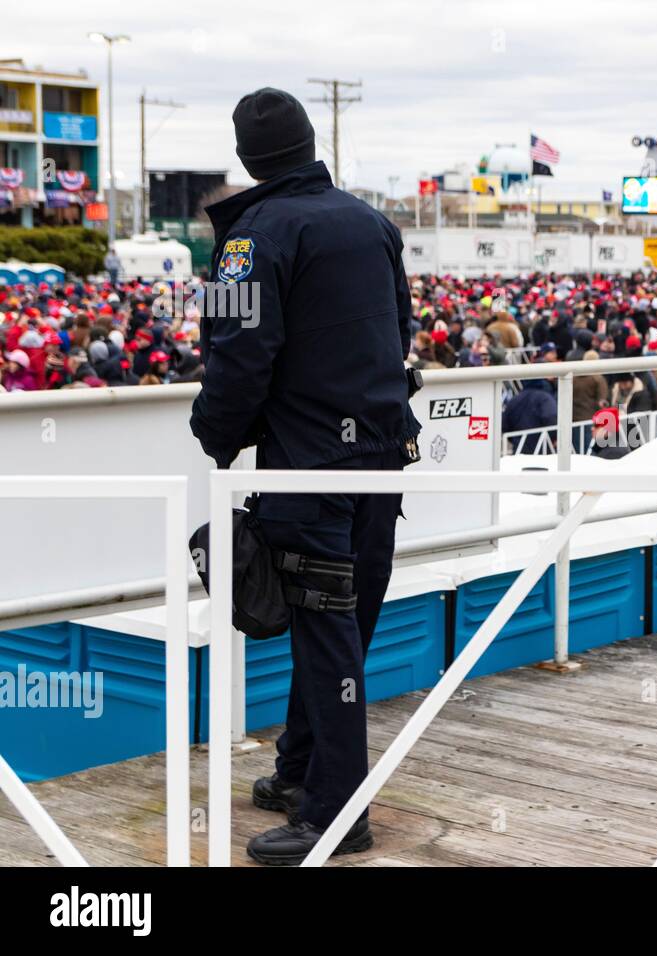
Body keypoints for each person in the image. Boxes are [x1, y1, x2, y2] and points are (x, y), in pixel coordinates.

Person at [189, 87, 421, 865]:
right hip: (382, 459)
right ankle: (299, 772)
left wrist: (216, 437)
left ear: (250, 159)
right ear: (310, 141)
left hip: (308, 466)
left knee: (324, 631)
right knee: (343, 627)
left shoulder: (250, 237)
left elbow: (238, 354)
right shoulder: (373, 223)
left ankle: (336, 816)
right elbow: (401, 329)